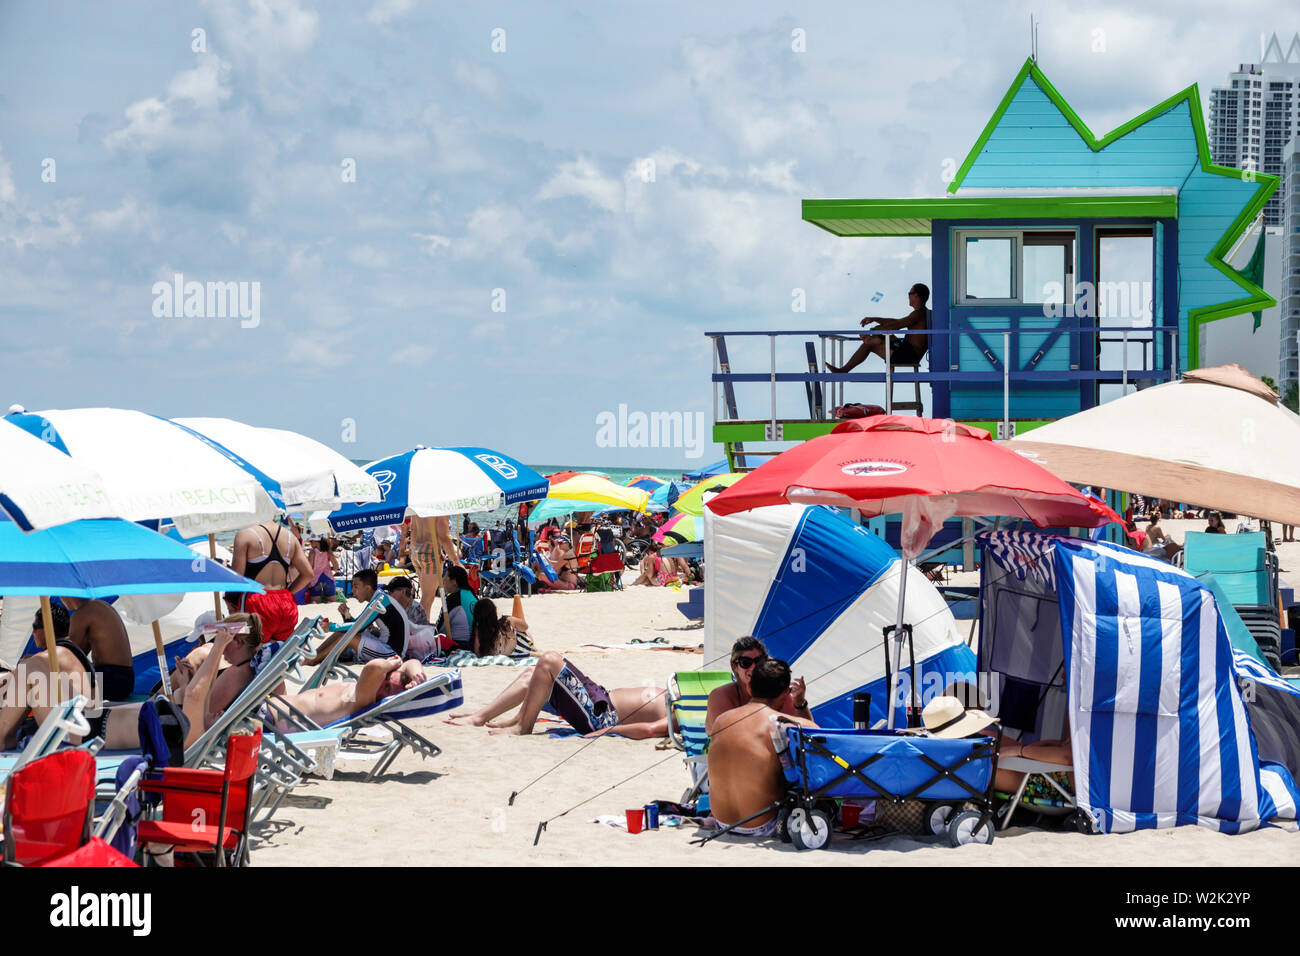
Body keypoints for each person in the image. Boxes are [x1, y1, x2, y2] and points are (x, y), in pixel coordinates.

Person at [706, 658, 818, 837]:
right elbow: (816, 739)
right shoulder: (780, 725)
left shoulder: (721, 720)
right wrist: (800, 703)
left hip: (722, 822)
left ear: (749, 688)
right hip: (764, 826)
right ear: (784, 694)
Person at [446, 651, 669, 738]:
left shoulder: (683, 716)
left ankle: (523, 727)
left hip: (601, 716)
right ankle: (480, 717)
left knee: (549, 661)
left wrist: (609, 730)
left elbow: (649, 730)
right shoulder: (684, 701)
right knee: (531, 676)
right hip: (600, 699)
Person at [260, 656, 427, 732]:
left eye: (388, 690)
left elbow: (373, 667)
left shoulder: (364, 700)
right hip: (270, 707)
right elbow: (412, 662)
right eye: (387, 678)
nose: (382, 685)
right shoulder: (361, 690)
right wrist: (416, 673)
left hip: (269, 720)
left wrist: (394, 663)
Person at [705, 636, 810, 735]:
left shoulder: (779, 692)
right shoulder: (720, 695)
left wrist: (800, 703)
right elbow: (726, 737)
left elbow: (808, 732)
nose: (754, 667)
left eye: (759, 661)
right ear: (734, 666)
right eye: (746, 663)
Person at [232, 519, 315, 642]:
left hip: (257, 600)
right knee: (280, 653)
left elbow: (236, 579)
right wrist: (289, 592)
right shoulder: (290, 537)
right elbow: (308, 574)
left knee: (251, 652)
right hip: (285, 601)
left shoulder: (245, 535)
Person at [305, 569, 409, 665]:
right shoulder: (380, 597)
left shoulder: (380, 600)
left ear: (367, 588)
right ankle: (315, 654)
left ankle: (314, 660)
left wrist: (331, 626)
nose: (352, 590)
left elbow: (359, 627)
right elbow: (360, 625)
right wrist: (346, 615)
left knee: (347, 637)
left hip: (392, 654)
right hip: (385, 646)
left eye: (356, 586)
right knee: (343, 631)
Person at [825, 283, 931, 374]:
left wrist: (876, 330)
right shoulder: (920, 313)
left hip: (909, 355)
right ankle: (872, 340)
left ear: (916, 296)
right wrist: (874, 319)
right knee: (876, 336)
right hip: (906, 350)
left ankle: (844, 370)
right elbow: (896, 322)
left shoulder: (919, 314)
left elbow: (896, 325)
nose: (908, 296)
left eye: (909, 293)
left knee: (868, 345)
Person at [60, 596, 135, 701]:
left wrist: (43, 653)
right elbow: (80, 651)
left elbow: (67, 653)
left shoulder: (82, 613)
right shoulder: (101, 606)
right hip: (126, 679)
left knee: (50, 679)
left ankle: (48, 715)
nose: (60, 599)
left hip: (110, 679)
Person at [442, 564, 479, 646]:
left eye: (445, 579)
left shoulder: (453, 599)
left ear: (454, 582)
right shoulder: (472, 593)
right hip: (478, 642)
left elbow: (440, 629)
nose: (443, 582)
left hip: (461, 645)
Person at [302, 537, 339, 604]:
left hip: (316, 580)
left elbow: (309, 568)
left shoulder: (312, 552)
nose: (310, 544)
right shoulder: (328, 552)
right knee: (332, 604)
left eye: (311, 542)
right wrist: (330, 568)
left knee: (315, 604)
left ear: (315, 542)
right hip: (328, 578)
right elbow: (336, 567)